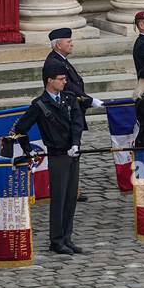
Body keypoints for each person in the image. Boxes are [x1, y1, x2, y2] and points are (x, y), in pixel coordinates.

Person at [11, 70, 85, 255]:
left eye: (65, 79)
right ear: (49, 81)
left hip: (72, 153)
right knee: (59, 199)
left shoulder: (69, 98)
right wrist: (28, 151)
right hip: (57, 154)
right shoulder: (40, 104)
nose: (64, 82)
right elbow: (20, 128)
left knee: (70, 198)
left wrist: (75, 143)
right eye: (60, 79)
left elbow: (77, 121)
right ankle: (56, 240)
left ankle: (68, 236)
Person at [43, 28, 103, 202]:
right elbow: (68, 87)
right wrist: (89, 100)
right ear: (58, 44)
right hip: (63, 114)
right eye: (68, 41)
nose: (71, 44)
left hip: (70, 110)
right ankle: (70, 188)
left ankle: (73, 187)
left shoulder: (62, 60)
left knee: (73, 148)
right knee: (67, 150)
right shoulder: (54, 62)